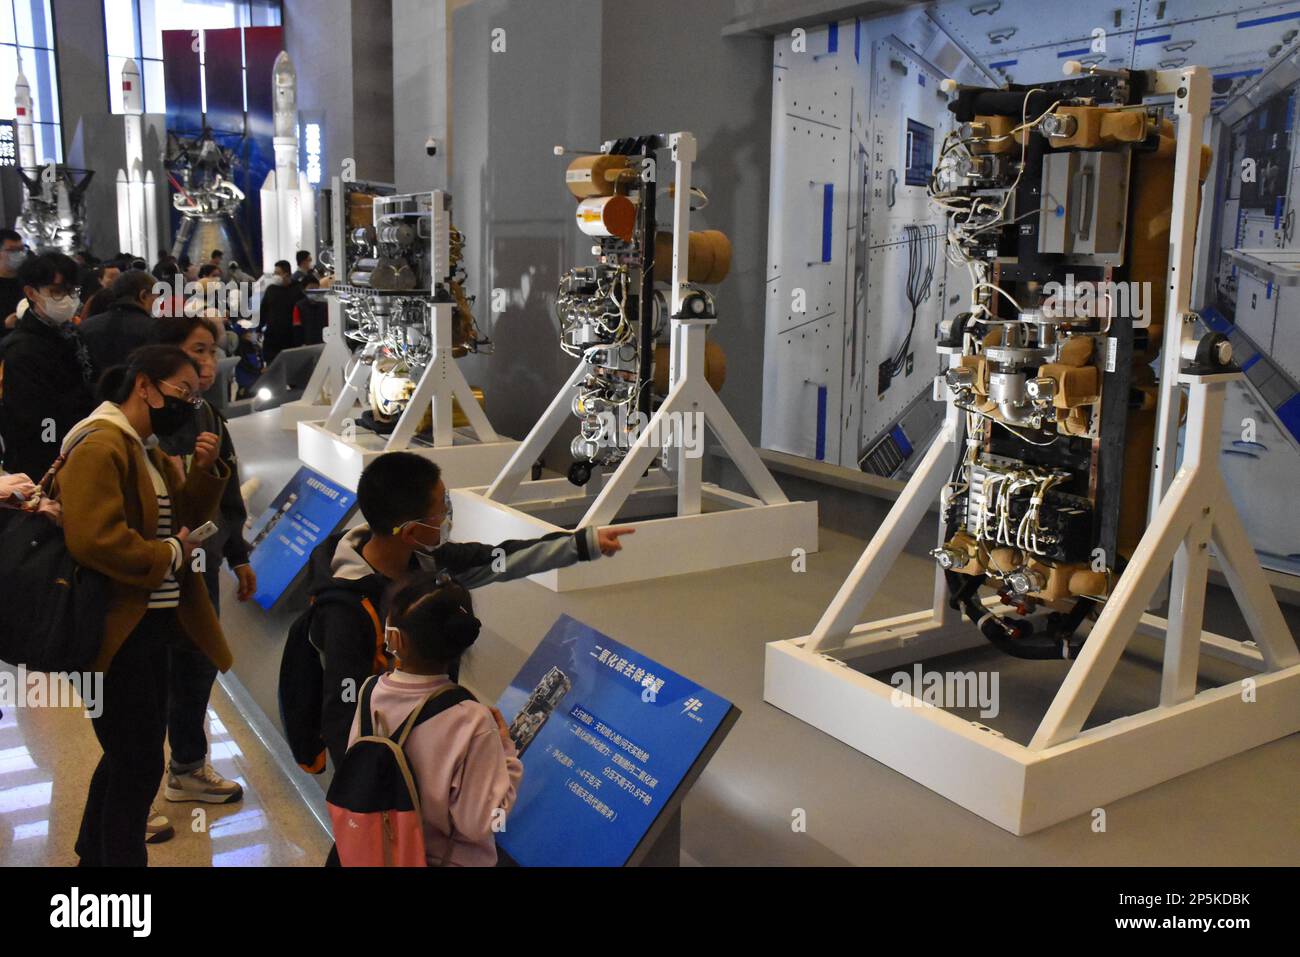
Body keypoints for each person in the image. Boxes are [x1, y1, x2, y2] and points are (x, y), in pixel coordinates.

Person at [307, 451, 634, 768]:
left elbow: (500, 559)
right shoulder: (348, 611)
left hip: (430, 739)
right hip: (389, 763)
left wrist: (580, 544)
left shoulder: (428, 559)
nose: (448, 515)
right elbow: (342, 708)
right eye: (440, 510)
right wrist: (360, 799)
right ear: (410, 531)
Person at [59, 344, 231, 866]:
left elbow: (178, 515)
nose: (188, 402)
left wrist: (203, 471)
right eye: (182, 390)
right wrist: (171, 552)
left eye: (196, 395)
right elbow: (94, 538)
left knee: (129, 756)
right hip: (114, 632)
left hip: (150, 625)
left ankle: (95, 856)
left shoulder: (146, 449)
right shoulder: (101, 444)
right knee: (136, 761)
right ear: (144, 386)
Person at [149, 315, 253, 812]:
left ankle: (186, 766)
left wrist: (238, 554)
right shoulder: (141, 427)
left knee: (196, 665)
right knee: (153, 676)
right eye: (196, 351)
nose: (208, 363)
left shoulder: (209, 416)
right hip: (152, 571)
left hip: (198, 569)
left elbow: (227, 493)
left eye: (212, 351)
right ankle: (137, 790)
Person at [347, 574, 520, 866]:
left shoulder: (369, 692)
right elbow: (481, 823)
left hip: (375, 852)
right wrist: (508, 756)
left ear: (395, 638)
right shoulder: (472, 721)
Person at [0, 252, 95, 479]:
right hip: (44, 462)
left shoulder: (73, 334)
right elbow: (37, 418)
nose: (67, 299)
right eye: (57, 292)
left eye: (73, 291)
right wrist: (58, 449)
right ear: (31, 293)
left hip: (80, 447)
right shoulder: (20, 349)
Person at [78, 270, 161, 377]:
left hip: (95, 392)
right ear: (143, 296)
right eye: (155, 297)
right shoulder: (154, 329)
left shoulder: (85, 327)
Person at [257, 259, 302, 366]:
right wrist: (259, 328)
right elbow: (264, 310)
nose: (274, 276)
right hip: (272, 338)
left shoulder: (298, 289)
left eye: (277, 273)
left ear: (287, 275)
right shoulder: (271, 290)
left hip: (290, 338)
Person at [0, 228, 28, 338]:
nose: (18, 254)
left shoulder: (28, 281)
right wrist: (4, 325)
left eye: (21, 249)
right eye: (12, 250)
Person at [292, 274, 327, 346]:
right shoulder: (299, 306)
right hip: (306, 344)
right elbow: (297, 328)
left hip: (323, 343)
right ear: (303, 290)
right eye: (311, 289)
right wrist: (300, 343)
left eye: (316, 289)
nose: (314, 292)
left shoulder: (325, 305)